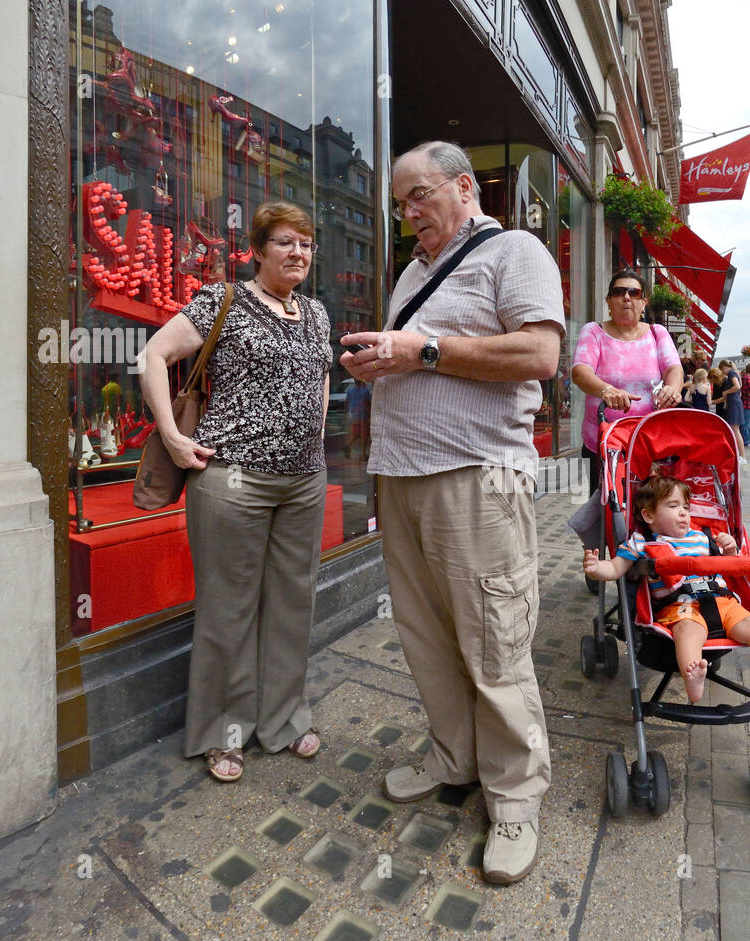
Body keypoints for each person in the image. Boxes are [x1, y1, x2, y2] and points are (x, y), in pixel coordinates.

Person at [337, 141, 563, 884]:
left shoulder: (517, 251)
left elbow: (537, 355)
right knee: (427, 636)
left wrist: (422, 351)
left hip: (476, 479)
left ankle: (516, 792)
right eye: (400, 205)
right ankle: (455, 755)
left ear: (464, 187)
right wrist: (381, 359)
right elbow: (416, 351)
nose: (409, 217)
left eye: (420, 197)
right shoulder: (412, 271)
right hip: (401, 477)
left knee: (494, 640)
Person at [139, 202, 331, 783]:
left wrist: (315, 439)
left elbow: (321, 377)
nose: (297, 253)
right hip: (233, 481)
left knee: (293, 604)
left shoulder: (317, 313)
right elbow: (153, 355)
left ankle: (284, 718)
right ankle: (224, 732)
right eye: (284, 243)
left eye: (306, 243)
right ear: (257, 250)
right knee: (229, 609)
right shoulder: (225, 301)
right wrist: (173, 439)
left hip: (303, 482)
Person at [582, 476, 750, 702]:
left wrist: (729, 551)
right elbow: (615, 569)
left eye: (686, 506)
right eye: (673, 506)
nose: (684, 512)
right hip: (680, 606)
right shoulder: (641, 542)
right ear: (649, 515)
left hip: (722, 601)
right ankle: (692, 676)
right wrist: (595, 568)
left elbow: (730, 566)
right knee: (688, 631)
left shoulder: (704, 537)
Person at [570, 269, 684, 494]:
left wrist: (672, 388)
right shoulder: (594, 332)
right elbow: (580, 371)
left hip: (648, 444)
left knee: (648, 511)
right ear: (609, 301)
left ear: (644, 302)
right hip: (601, 444)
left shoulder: (656, 333)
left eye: (634, 292)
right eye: (619, 292)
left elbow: (673, 368)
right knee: (601, 516)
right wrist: (607, 390)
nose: (626, 297)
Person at [712, 360, 749, 464]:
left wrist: (725, 392)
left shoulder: (731, 373)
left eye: (722, 369)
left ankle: (742, 457)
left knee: (736, 431)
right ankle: (739, 455)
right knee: (734, 430)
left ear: (724, 367)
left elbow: (737, 387)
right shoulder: (735, 373)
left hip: (734, 405)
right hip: (734, 404)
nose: (722, 372)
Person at [345, 377, 371, 458]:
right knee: (364, 434)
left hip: (353, 415)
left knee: (356, 433)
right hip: (362, 415)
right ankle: (363, 453)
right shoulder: (365, 391)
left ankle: (348, 446)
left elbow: (347, 402)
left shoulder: (350, 390)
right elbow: (368, 404)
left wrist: (347, 413)